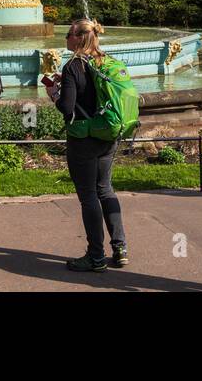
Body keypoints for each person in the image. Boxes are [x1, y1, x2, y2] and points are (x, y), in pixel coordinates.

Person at [47, 17, 128, 272]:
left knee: (89, 196)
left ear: (79, 38)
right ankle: (120, 247)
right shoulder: (105, 61)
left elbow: (67, 108)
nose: (65, 39)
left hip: (83, 139)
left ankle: (95, 256)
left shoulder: (73, 66)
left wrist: (54, 95)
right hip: (108, 134)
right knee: (105, 189)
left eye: (69, 35)